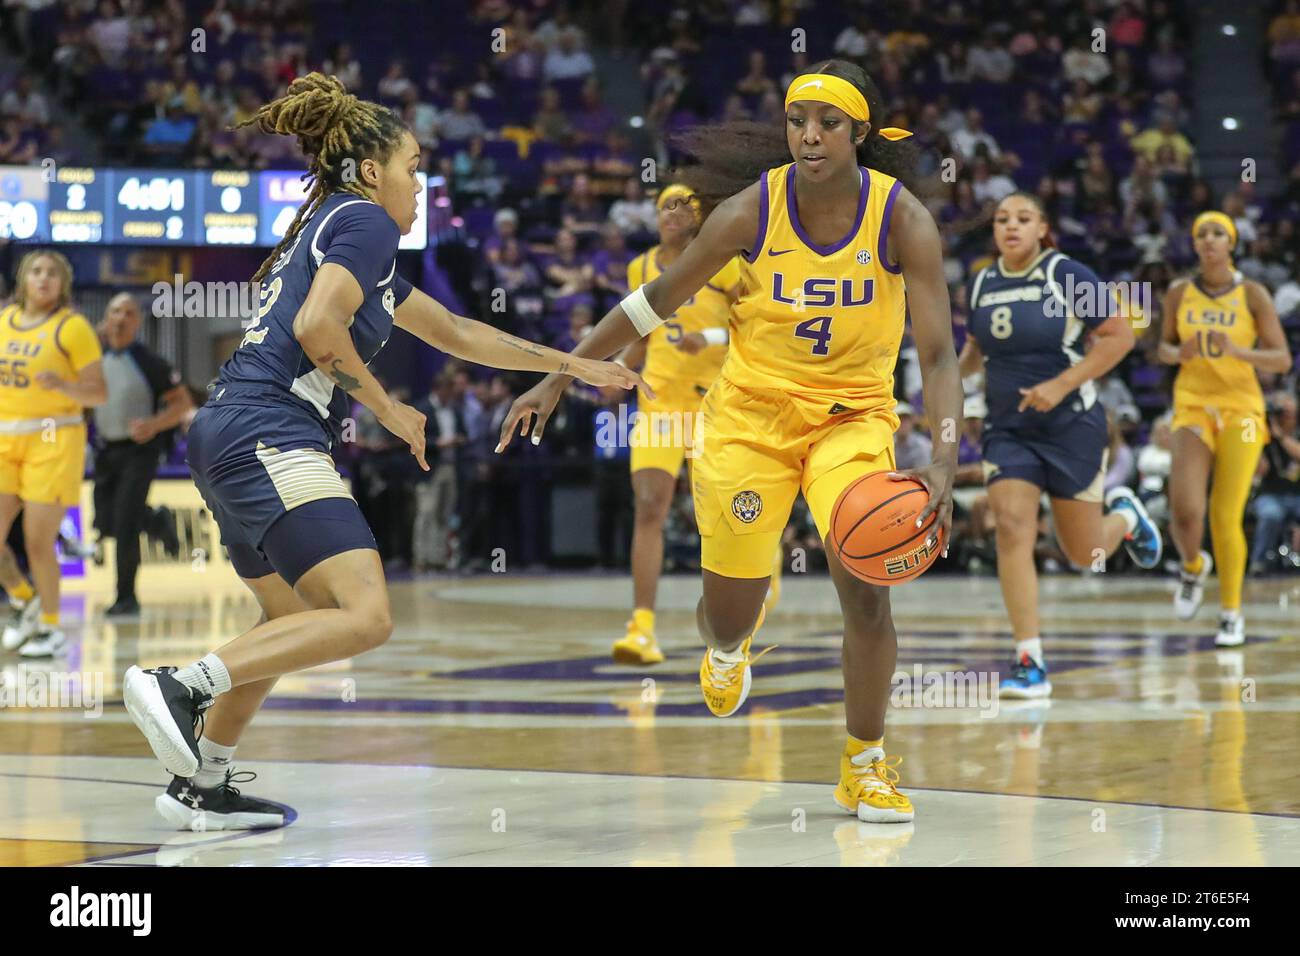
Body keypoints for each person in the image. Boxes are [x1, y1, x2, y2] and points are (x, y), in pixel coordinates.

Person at [120, 74, 642, 830]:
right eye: (413, 164)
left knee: (286, 626)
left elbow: (462, 334)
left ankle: (202, 779)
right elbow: (316, 328)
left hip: (229, 431)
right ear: (371, 171)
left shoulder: (350, 238)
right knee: (365, 615)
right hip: (269, 426)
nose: (420, 181)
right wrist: (388, 406)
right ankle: (181, 687)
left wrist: (572, 363)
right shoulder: (365, 221)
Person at [499, 60, 964, 824]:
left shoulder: (901, 218)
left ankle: (864, 764)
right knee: (729, 611)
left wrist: (943, 460)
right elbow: (654, 301)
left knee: (866, 591)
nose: (809, 136)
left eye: (828, 125)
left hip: (851, 419)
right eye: (797, 122)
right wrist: (562, 371)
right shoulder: (751, 211)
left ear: (861, 134)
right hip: (749, 421)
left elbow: (940, 355)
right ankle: (725, 651)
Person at [960, 193, 1160, 699]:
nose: (1011, 227)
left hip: (1071, 426)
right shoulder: (981, 281)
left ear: (1043, 227)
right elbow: (974, 353)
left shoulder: (1067, 273)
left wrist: (1061, 384)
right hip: (1008, 430)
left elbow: (1118, 337)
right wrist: (939, 386)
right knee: (1010, 527)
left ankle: (1126, 519)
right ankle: (1030, 660)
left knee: (1083, 552)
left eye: (1023, 219)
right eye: (1003, 220)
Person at [609, 182, 753, 665]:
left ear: (699, 219)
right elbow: (641, 335)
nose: (672, 214)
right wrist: (617, 371)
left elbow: (755, 327)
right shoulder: (641, 267)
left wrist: (709, 336)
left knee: (716, 516)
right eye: (664, 206)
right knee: (649, 506)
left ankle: (743, 602)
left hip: (716, 404)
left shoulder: (723, 262)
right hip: (660, 404)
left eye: (683, 206)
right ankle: (641, 626)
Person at [1158, 211, 1292, 645]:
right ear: (1195, 245)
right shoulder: (1179, 292)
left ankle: (1231, 613)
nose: (1209, 240)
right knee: (1185, 509)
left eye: (1218, 233)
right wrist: (1181, 352)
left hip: (1241, 410)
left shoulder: (1252, 294)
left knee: (1225, 513)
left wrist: (1238, 351)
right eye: (1202, 234)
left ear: (1231, 243)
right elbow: (1161, 348)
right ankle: (1193, 566)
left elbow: (1282, 359)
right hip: (1193, 405)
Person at [0, 251, 106, 658]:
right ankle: (23, 598)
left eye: (52, 274)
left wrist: (63, 385)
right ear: (23, 280)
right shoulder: (6, 321)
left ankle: (50, 625)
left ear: (63, 284)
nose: (43, 279)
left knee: (37, 541)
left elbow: (97, 393)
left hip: (52, 439)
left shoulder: (72, 328)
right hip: (7, 439)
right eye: (36, 272)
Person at [91, 293, 194, 616]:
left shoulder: (151, 362)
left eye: (128, 312)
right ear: (106, 319)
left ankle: (126, 597)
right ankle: (156, 519)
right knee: (105, 522)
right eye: (115, 311)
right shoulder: (94, 360)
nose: (121, 318)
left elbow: (183, 405)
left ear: (137, 321)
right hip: (106, 452)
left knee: (124, 523)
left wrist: (153, 424)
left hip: (141, 452)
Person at [1251, 392, 1300, 573]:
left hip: (1297, 494)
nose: (1284, 413)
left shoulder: (1296, 432)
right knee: (1270, 514)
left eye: (1287, 407)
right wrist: (1259, 436)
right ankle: (1259, 563)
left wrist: (1281, 437)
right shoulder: (1265, 435)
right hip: (1271, 494)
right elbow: (1259, 470)